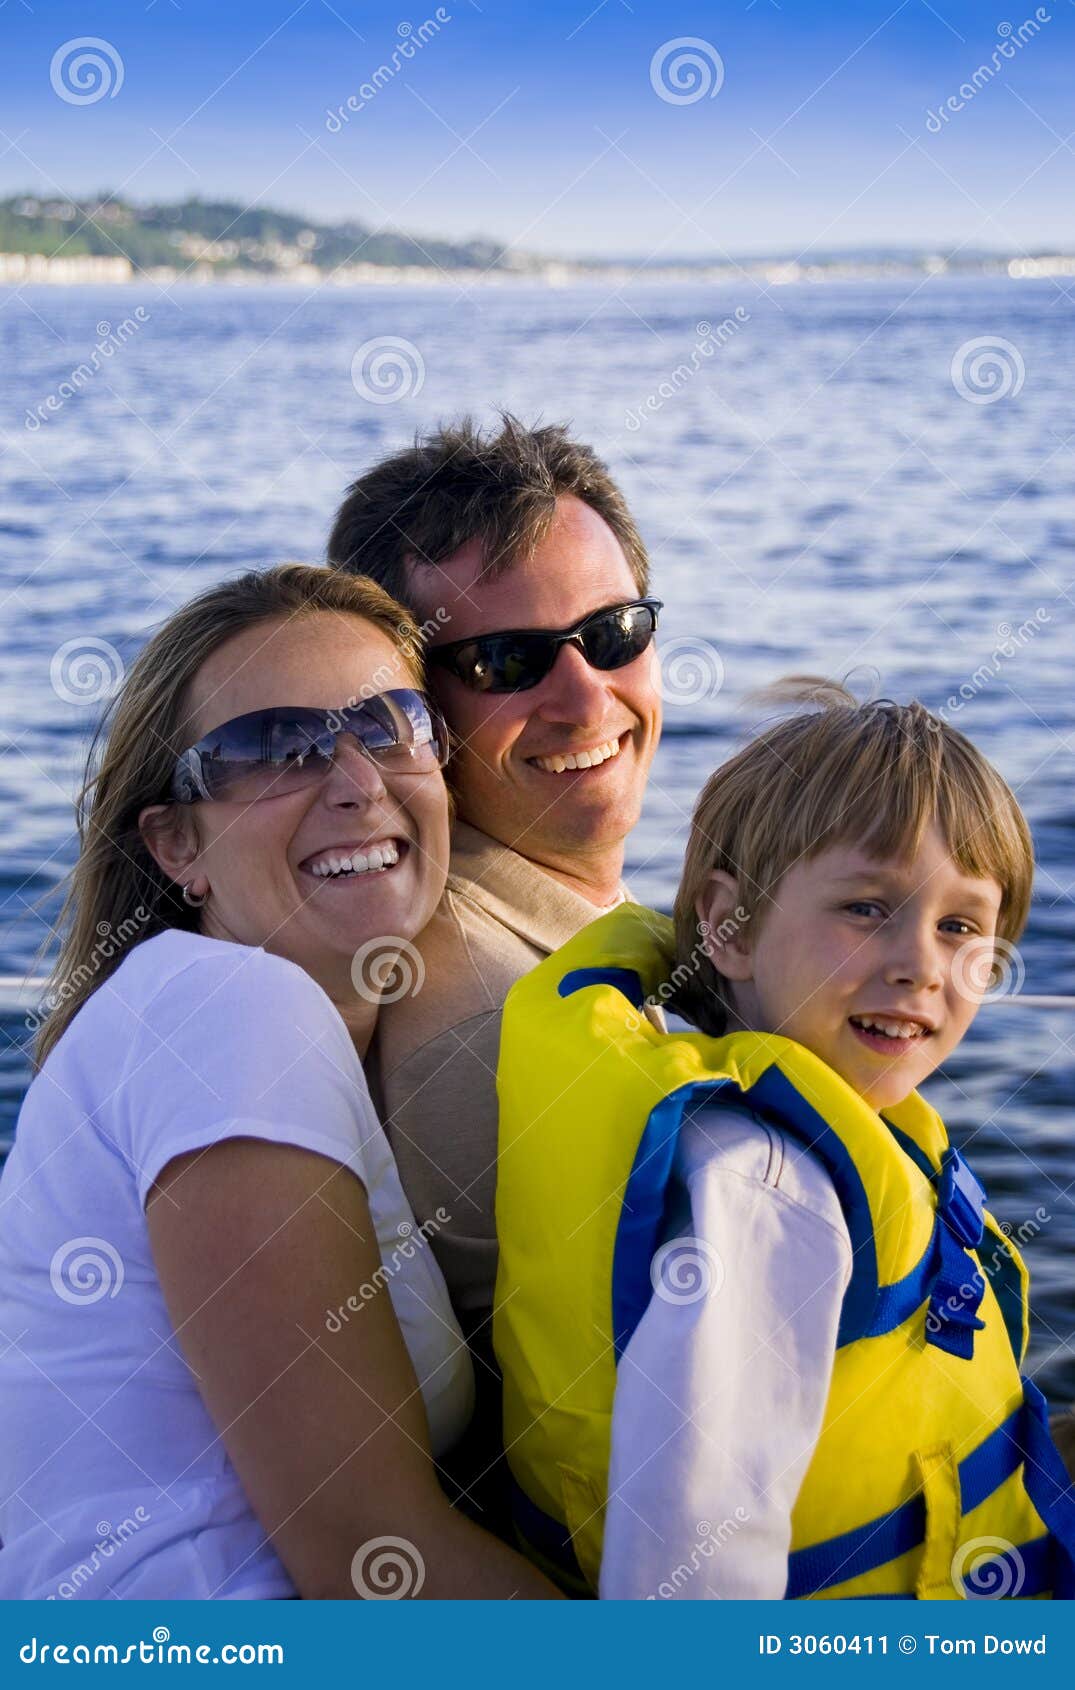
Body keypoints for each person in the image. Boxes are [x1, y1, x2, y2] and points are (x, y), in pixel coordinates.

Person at [0, 564, 557, 1600]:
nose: (357, 781)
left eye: (395, 724)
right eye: (271, 748)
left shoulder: (278, 1045)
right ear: (178, 847)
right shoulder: (228, 1010)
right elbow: (375, 1565)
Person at [494, 678, 1075, 1599]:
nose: (920, 966)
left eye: (959, 925)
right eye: (866, 909)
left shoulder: (752, 1111)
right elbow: (692, 1582)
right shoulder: (764, 1191)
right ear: (727, 926)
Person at [328, 416, 663, 1524]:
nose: (585, 698)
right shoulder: (490, 1011)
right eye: (510, 662)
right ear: (409, 716)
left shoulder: (571, 935)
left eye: (613, 633)